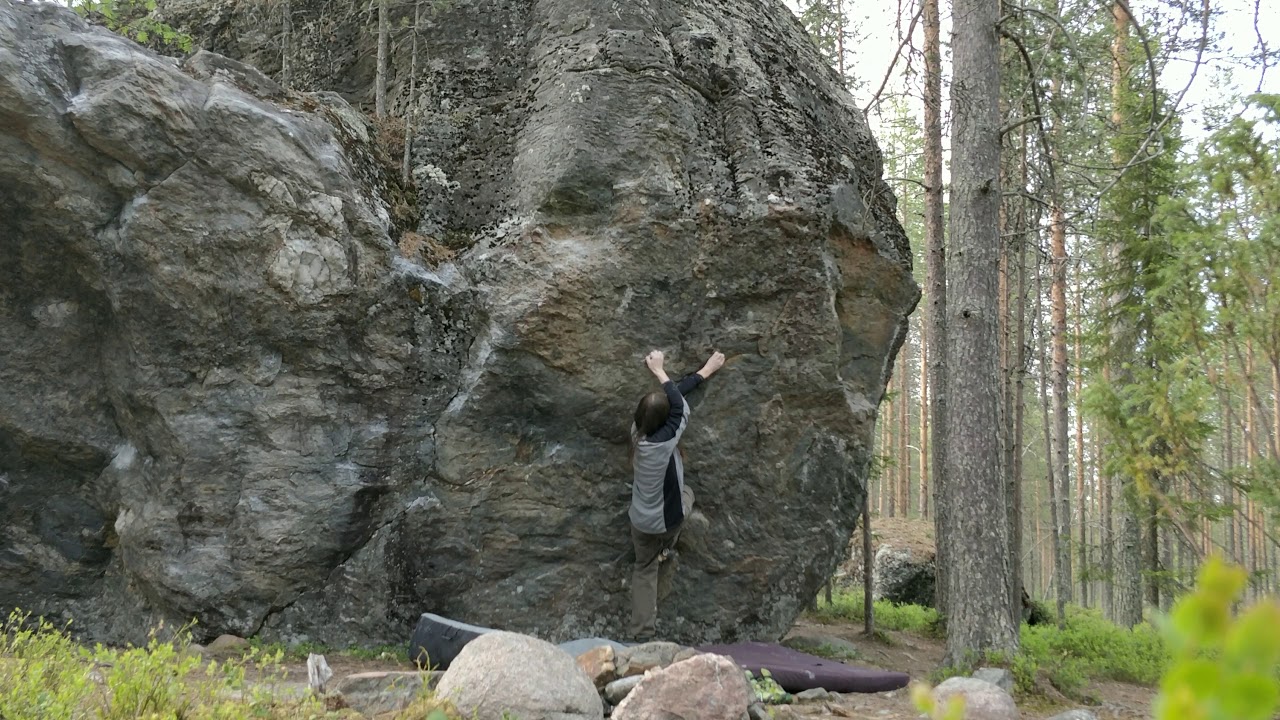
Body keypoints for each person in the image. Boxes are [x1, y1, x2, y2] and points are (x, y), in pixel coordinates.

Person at [628, 348, 725, 641]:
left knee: (643, 569)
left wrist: (703, 371)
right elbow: (679, 404)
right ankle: (667, 548)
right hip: (667, 522)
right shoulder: (667, 440)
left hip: (639, 521)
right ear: (667, 421)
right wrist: (660, 370)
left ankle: (642, 634)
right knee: (688, 493)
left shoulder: (637, 434)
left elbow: (673, 401)